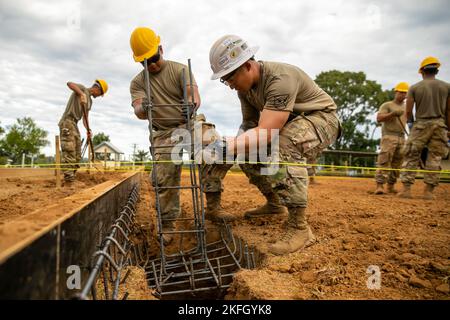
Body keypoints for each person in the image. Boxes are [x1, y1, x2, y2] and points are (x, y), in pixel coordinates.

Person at [208, 35, 341, 255]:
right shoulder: (245, 90)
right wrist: (232, 150)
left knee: (285, 146)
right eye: (225, 81)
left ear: (248, 66)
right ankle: (275, 203)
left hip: (322, 119)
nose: (229, 86)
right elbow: (250, 126)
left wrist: (226, 146)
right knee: (247, 154)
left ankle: (299, 228)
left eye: (229, 78)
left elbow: (268, 132)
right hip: (289, 125)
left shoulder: (280, 78)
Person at [129, 27, 234, 245]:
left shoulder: (180, 70)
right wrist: (143, 108)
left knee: (214, 149)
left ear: (161, 49)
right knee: (164, 176)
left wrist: (191, 104)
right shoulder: (138, 83)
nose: (152, 64)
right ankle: (167, 224)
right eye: (145, 62)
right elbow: (138, 109)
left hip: (189, 123)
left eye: (154, 58)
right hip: (164, 132)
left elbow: (193, 95)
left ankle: (213, 208)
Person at [399, 56, 450, 199]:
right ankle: (428, 191)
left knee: (411, 155)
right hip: (440, 125)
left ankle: (406, 190)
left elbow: (408, 111)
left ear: (422, 71)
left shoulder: (415, 88)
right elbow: (449, 111)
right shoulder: (446, 87)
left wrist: (410, 124)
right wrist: (448, 129)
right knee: (435, 157)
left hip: (420, 124)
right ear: (437, 71)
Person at [58, 79, 108, 184]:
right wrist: (81, 94)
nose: (99, 96)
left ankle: (71, 177)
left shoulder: (90, 102)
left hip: (74, 124)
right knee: (69, 149)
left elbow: (85, 119)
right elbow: (69, 83)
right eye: (101, 93)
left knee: (77, 152)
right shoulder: (82, 88)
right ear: (97, 89)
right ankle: (69, 180)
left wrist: (88, 129)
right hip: (67, 121)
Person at [374, 82, 409, 194]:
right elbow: (379, 118)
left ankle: (391, 185)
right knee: (384, 160)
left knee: (397, 163)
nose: (403, 95)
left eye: (405, 93)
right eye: (401, 92)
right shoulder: (387, 105)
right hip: (389, 136)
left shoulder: (407, 107)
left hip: (402, 137)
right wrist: (392, 114)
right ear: (396, 92)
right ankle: (380, 186)